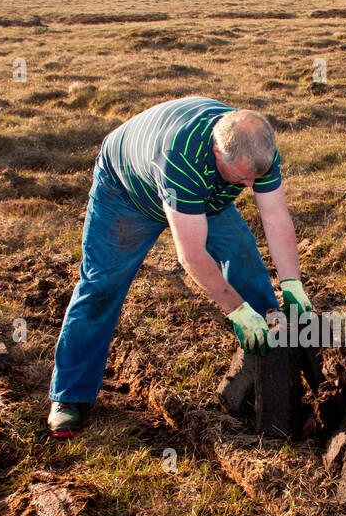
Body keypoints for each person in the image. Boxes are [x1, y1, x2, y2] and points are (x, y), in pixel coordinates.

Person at [47, 95, 313, 437]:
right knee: (102, 287)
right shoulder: (181, 158)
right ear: (218, 152)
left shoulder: (256, 147)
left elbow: (275, 217)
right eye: (242, 178)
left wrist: (292, 283)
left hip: (203, 194)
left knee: (245, 263)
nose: (250, 186)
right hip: (127, 194)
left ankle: (270, 376)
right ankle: (69, 395)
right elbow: (191, 254)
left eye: (254, 177)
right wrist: (236, 310)